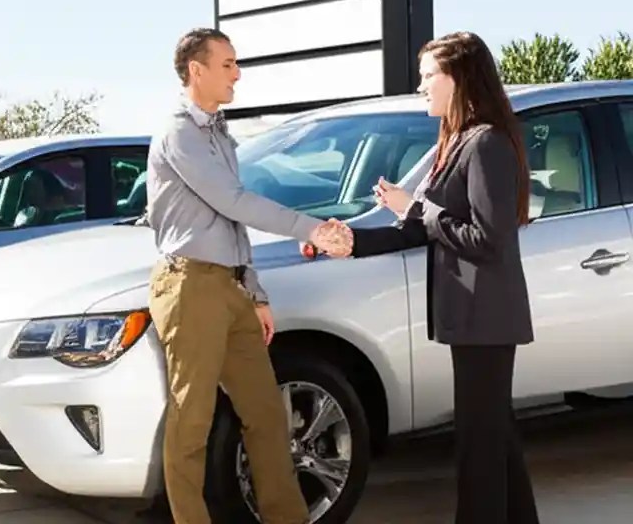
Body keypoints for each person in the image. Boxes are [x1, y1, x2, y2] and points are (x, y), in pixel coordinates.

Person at [323, 31, 539, 524]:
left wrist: (417, 206)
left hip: (487, 319)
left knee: (479, 450)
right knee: (495, 440)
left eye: (428, 77)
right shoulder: (455, 142)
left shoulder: (485, 144)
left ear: (459, 78)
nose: (421, 86)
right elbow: (420, 229)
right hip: (472, 320)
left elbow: (488, 239)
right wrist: (351, 242)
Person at [144, 27, 349, 524]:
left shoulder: (219, 133)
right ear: (197, 70)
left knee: (266, 415)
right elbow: (232, 201)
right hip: (190, 287)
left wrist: (254, 291)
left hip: (231, 288)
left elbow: (229, 220)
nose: (238, 73)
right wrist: (313, 229)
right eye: (228, 64)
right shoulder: (179, 132)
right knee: (191, 423)